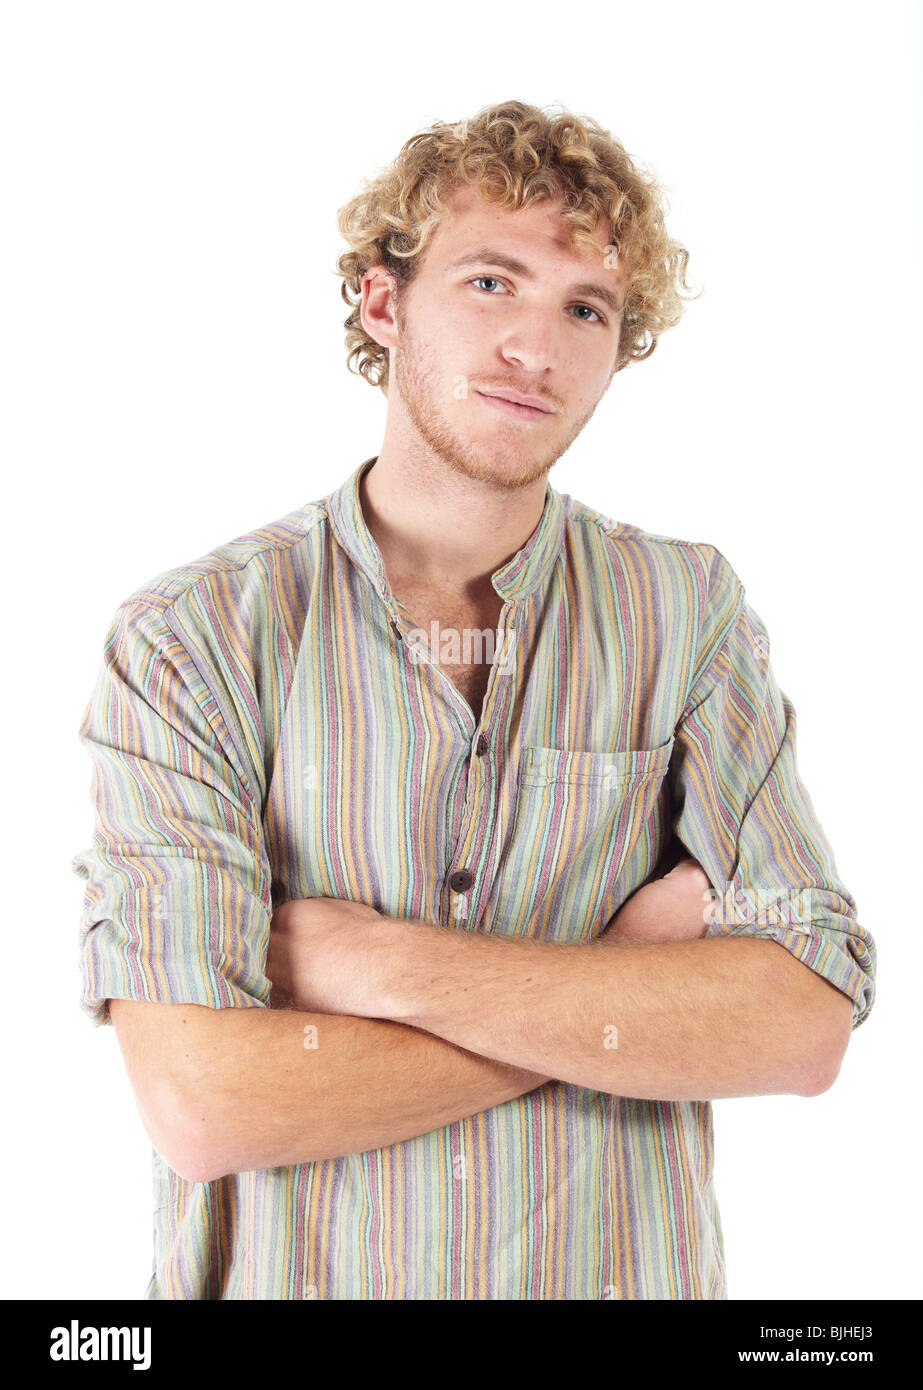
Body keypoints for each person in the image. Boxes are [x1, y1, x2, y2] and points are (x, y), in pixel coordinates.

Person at [71, 99, 876, 1300]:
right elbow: (204, 1102)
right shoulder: (193, 639)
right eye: (491, 282)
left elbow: (801, 1025)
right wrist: (615, 984)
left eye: (584, 309)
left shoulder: (684, 609)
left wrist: (380, 965)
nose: (534, 349)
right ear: (382, 302)